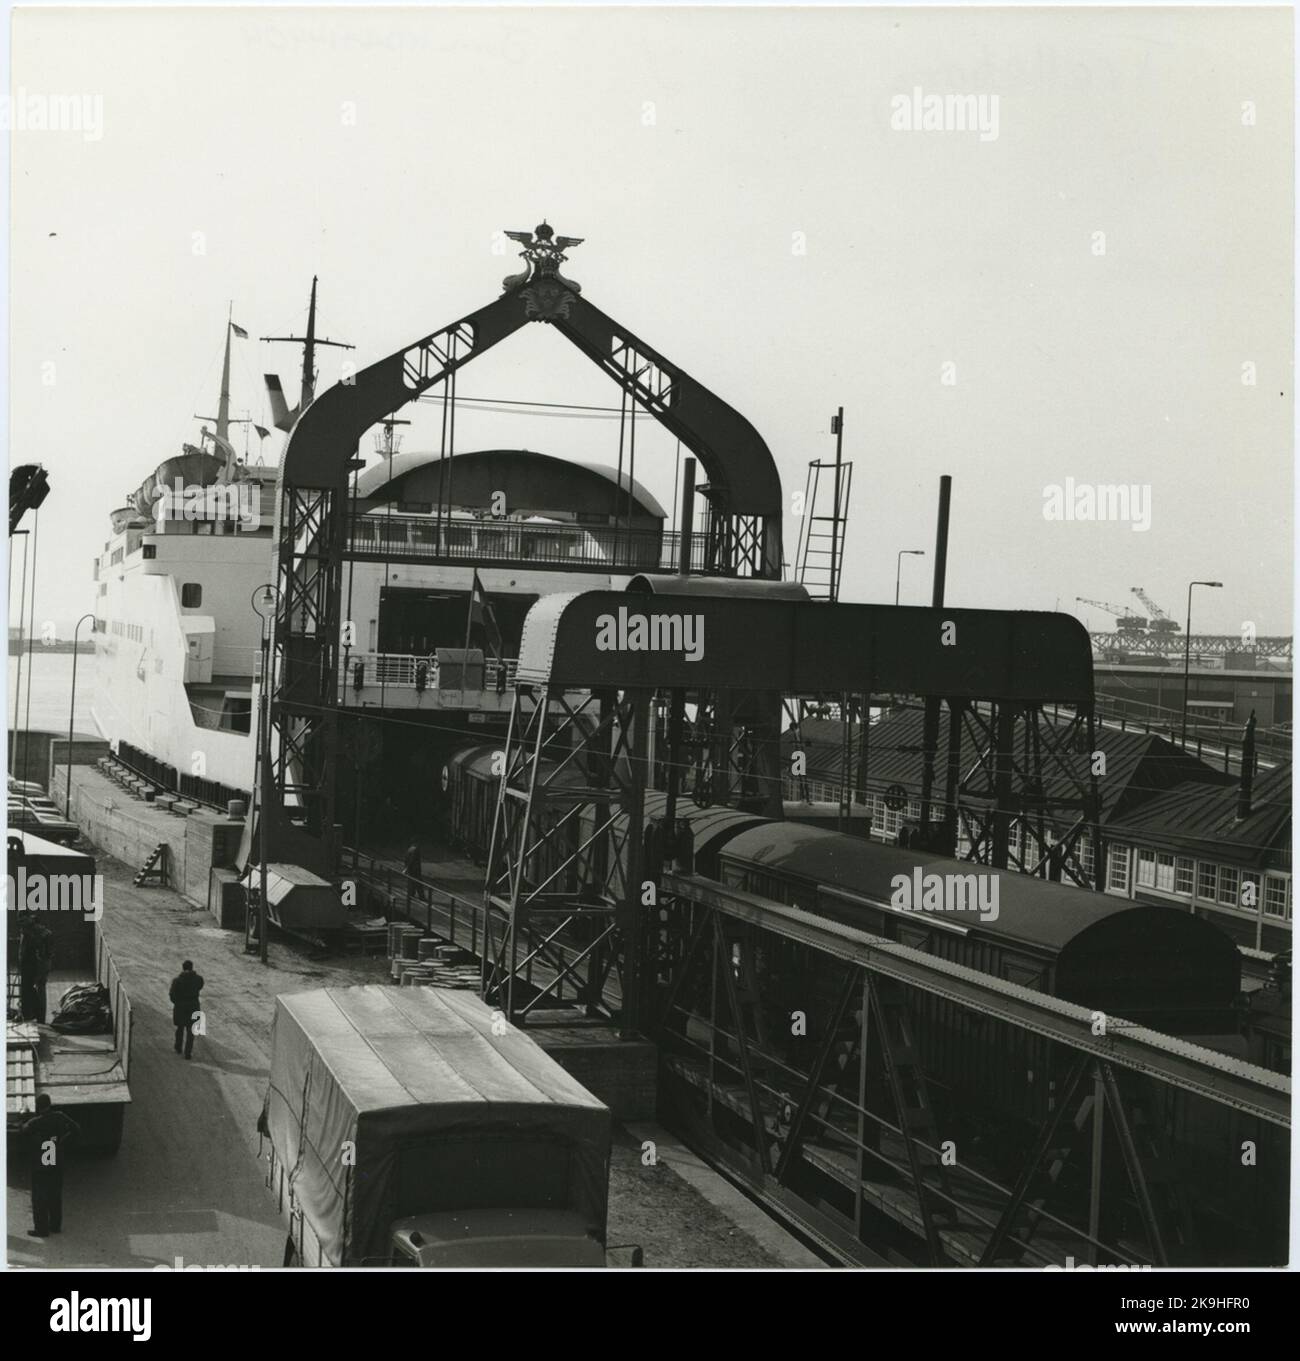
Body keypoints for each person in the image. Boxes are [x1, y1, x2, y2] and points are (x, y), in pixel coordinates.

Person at [21, 1094, 80, 1237]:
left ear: (38, 1106)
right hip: (55, 1162)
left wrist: (25, 1119)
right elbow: (76, 1129)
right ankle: (55, 1225)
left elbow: (23, 1130)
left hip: (41, 1164)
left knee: (39, 1197)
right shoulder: (60, 1116)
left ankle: (41, 1229)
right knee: (55, 1194)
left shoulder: (36, 1122)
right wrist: (63, 1142)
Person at [19, 916, 53, 1024]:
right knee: (40, 988)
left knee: (36, 988)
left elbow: (27, 951)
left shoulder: (30, 932)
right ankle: (39, 1017)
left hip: (40, 963)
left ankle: (35, 1016)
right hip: (45, 962)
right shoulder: (44, 931)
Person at [169, 960, 204, 1059]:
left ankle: (178, 1047)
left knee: (180, 1027)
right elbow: (200, 986)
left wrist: (177, 1002)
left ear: (183, 968)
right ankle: (188, 1053)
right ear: (192, 967)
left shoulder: (177, 980)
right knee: (191, 1030)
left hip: (181, 1006)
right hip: (193, 1005)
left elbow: (172, 995)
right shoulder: (198, 979)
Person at [403, 843, 423, 909]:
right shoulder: (416, 850)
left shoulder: (409, 849)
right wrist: (407, 868)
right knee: (419, 882)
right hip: (415, 869)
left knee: (411, 881)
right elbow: (412, 859)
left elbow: (406, 859)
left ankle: (411, 894)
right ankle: (421, 896)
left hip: (411, 869)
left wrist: (406, 868)